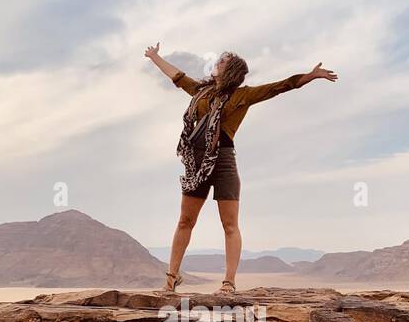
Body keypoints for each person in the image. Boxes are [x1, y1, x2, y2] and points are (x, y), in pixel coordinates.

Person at [145, 44, 338, 297]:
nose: (216, 64)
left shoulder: (242, 96)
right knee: (185, 221)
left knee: (229, 224)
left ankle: (228, 282)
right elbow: (177, 76)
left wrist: (310, 76)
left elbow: (278, 87)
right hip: (197, 162)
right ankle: (171, 278)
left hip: (223, 162)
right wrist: (155, 56)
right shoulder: (201, 91)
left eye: (222, 63)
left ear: (230, 71)